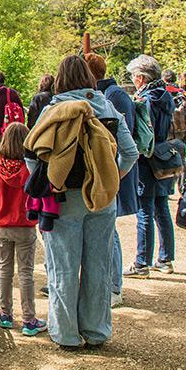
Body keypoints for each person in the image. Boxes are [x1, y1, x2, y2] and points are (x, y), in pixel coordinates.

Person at [25, 55, 138, 349]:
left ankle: (66, 334)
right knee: (98, 266)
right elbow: (130, 152)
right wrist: (109, 180)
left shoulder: (53, 110)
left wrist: (46, 182)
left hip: (62, 200)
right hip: (101, 199)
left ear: (60, 80)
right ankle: (97, 331)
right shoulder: (107, 107)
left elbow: (31, 154)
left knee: (63, 266)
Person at [85, 53, 138, 308]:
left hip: (104, 179)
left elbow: (128, 149)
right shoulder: (112, 95)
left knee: (110, 235)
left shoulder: (109, 98)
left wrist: (113, 175)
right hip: (103, 178)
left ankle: (114, 286)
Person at [0, 122, 46, 336]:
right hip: (25, 225)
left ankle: (5, 314)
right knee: (26, 273)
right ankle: (29, 320)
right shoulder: (29, 169)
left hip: (2, 226)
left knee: (5, 270)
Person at [124, 55, 177, 277]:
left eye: (134, 76)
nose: (133, 80)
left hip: (147, 160)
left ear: (141, 77)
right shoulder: (166, 96)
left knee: (144, 211)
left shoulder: (145, 100)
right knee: (162, 209)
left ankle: (142, 263)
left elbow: (143, 134)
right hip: (164, 155)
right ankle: (165, 259)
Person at [162, 69, 186, 194]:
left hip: (166, 131)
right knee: (181, 159)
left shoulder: (162, 93)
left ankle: (167, 188)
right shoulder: (182, 93)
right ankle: (182, 188)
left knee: (165, 158)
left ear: (164, 79)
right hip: (181, 131)